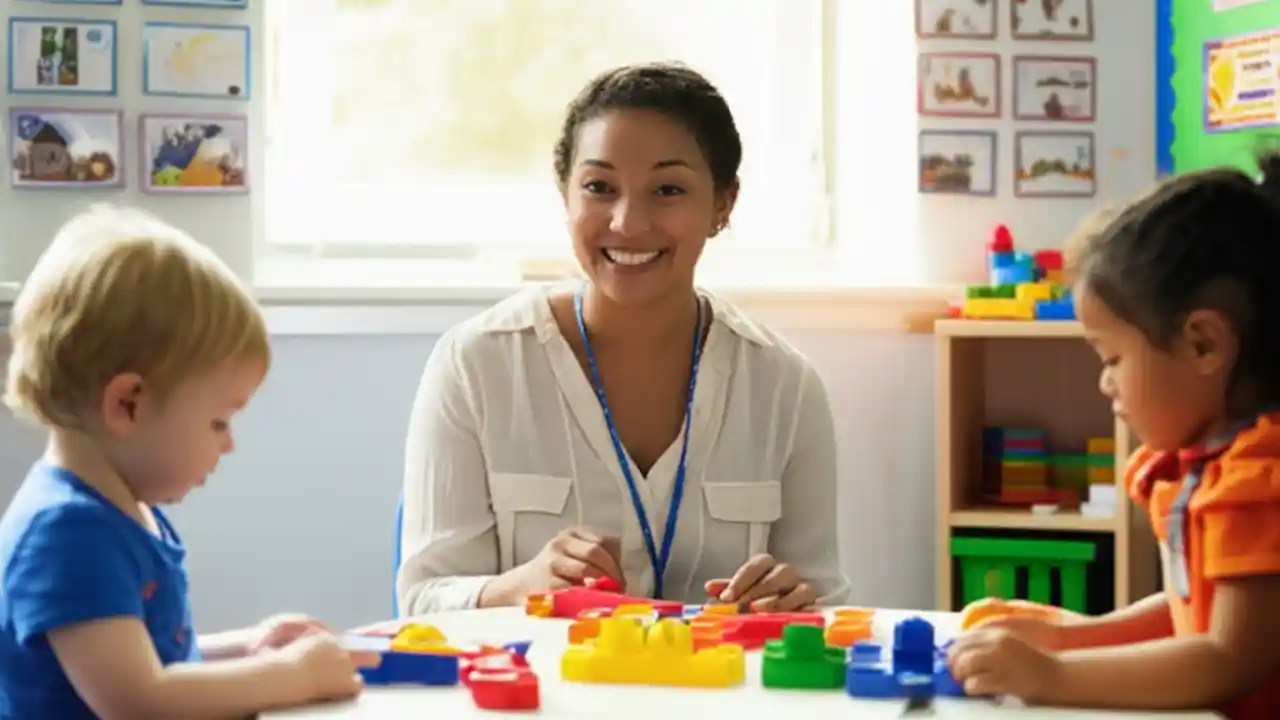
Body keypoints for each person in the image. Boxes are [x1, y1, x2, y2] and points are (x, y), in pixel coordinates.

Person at [397, 62, 850, 616]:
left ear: (722, 204)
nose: (628, 223)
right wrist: (518, 587)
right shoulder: (477, 363)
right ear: (565, 196)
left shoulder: (786, 387)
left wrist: (793, 603)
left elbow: (825, 605)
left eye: (667, 189)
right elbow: (421, 601)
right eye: (599, 187)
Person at [0, 205, 378, 718]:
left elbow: (148, 657)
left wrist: (248, 647)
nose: (229, 445)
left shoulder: (115, 512)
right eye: (218, 422)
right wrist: (294, 676)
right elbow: (140, 700)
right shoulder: (67, 534)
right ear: (127, 404)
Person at [947, 157, 1280, 719]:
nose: (1106, 383)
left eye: (1113, 358)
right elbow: (1191, 612)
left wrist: (1053, 675)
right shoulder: (1210, 466)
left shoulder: (1257, 482)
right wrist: (1073, 638)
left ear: (1203, 345)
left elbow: (1227, 656)